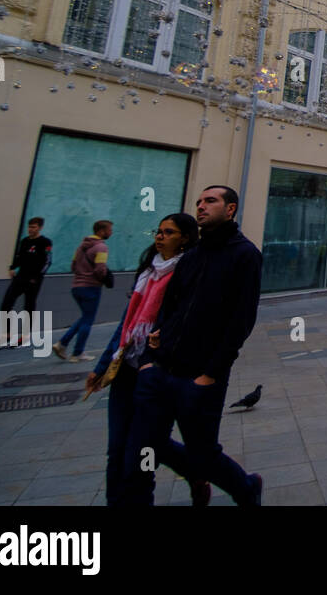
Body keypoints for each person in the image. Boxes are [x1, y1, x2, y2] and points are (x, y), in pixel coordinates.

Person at [121, 186, 263, 507]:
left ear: (230, 209)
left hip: (200, 376)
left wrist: (211, 373)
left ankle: (245, 487)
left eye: (210, 201)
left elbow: (241, 320)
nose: (201, 206)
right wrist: (150, 357)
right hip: (160, 370)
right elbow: (169, 308)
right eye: (198, 201)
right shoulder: (192, 257)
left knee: (203, 453)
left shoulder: (245, 255)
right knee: (145, 446)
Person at [85, 213, 208, 506]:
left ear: (185, 239)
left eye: (169, 232)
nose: (160, 236)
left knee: (141, 453)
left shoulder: (188, 273)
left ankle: (191, 473)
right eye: (159, 231)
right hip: (127, 367)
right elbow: (127, 325)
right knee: (118, 449)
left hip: (156, 372)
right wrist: (102, 367)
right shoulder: (148, 273)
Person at [55, 220, 113, 362]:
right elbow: (100, 269)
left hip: (76, 286)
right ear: (101, 231)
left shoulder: (81, 246)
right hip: (91, 287)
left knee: (84, 317)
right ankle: (77, 353)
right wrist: (102, 278)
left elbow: (73, 266)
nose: (111, 232)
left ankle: (62, 344)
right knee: (88, 320)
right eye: (109, 230)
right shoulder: (101, 247)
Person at [2, 217, 52, 345]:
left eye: (33, 227)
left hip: (34, 280)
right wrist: (13, 267)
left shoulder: (45, 242)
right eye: (29, 227)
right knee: (6, 303)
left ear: (40, 227)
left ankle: (24, 335)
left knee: (28, 306)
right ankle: (6, 334)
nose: (30, 229)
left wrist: (36, 277)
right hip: (20, 277)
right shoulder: (24, 241)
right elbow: (19, 257)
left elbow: (47, 262)